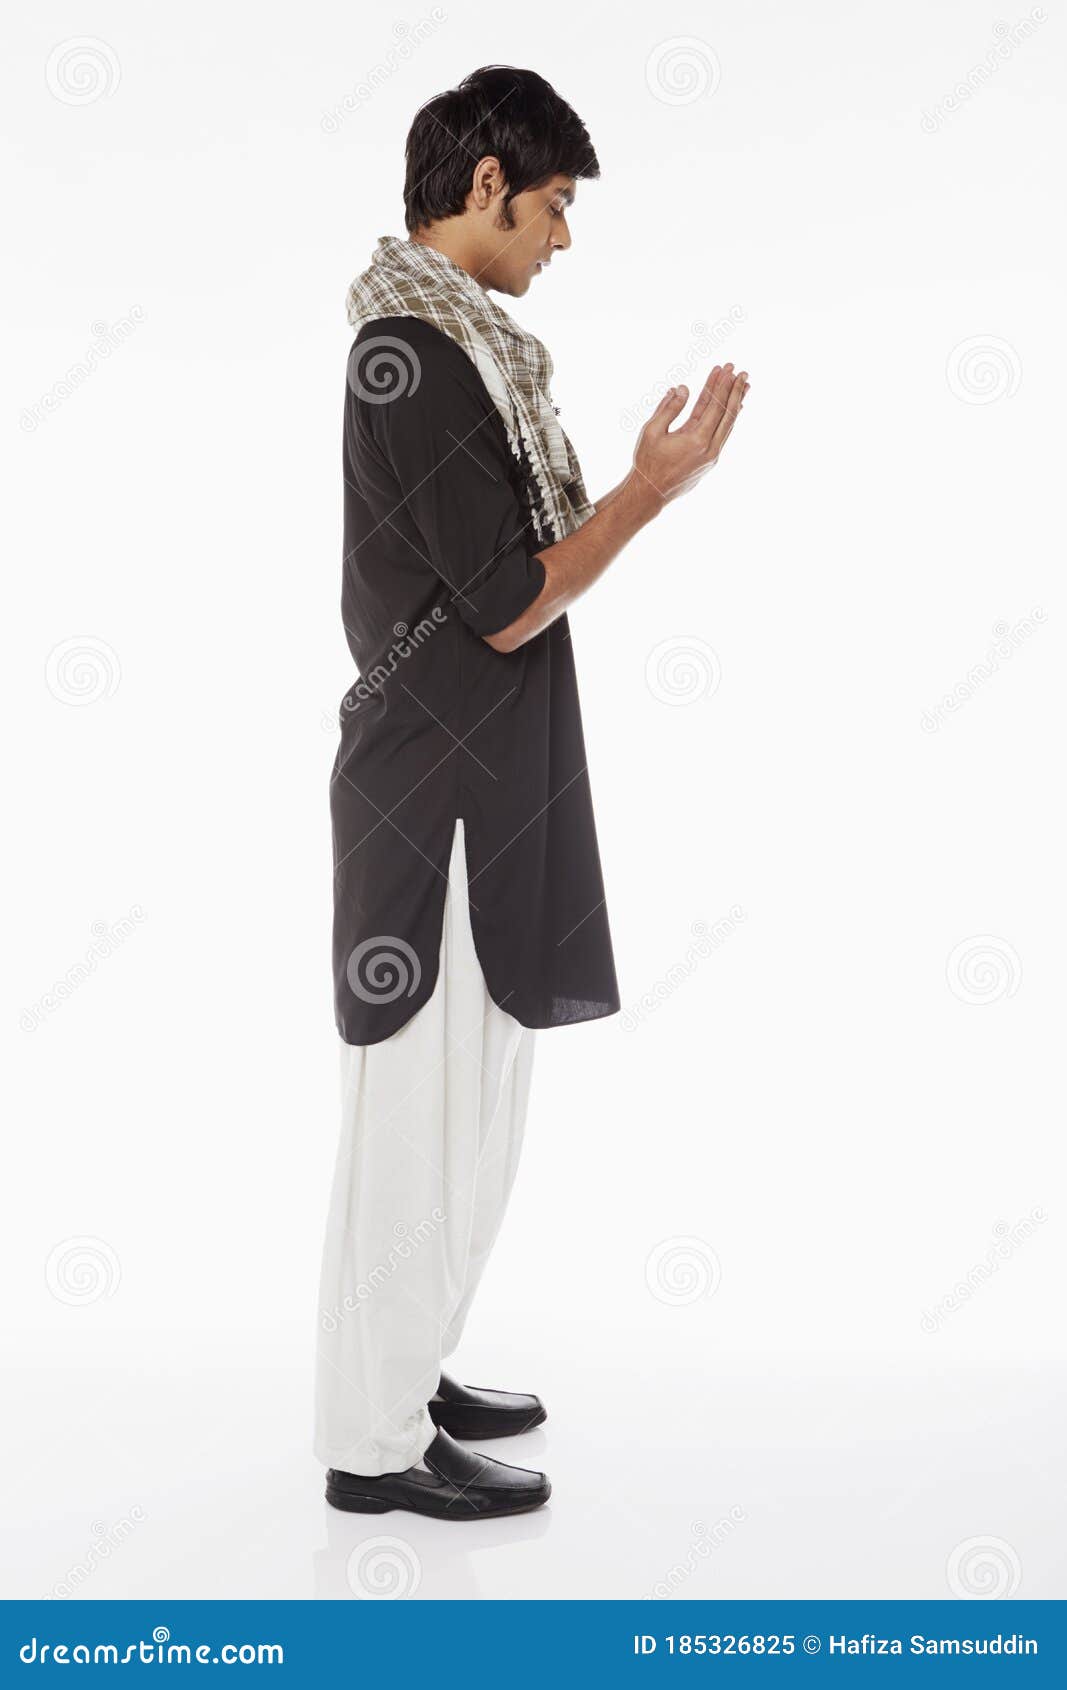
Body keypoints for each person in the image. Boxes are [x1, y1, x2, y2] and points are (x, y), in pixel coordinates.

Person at [315, 64, 750, 1520]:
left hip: (473, 771)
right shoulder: (416, 353)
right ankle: (372, 1445)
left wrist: (635, 493)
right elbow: (508, 603)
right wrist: (648, 492)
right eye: (555, 205)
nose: (565, 238)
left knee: (473, 1098)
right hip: (435, 784)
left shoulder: (464, 345)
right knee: (421, 1110)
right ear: (487, 183)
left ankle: (408, 1363)